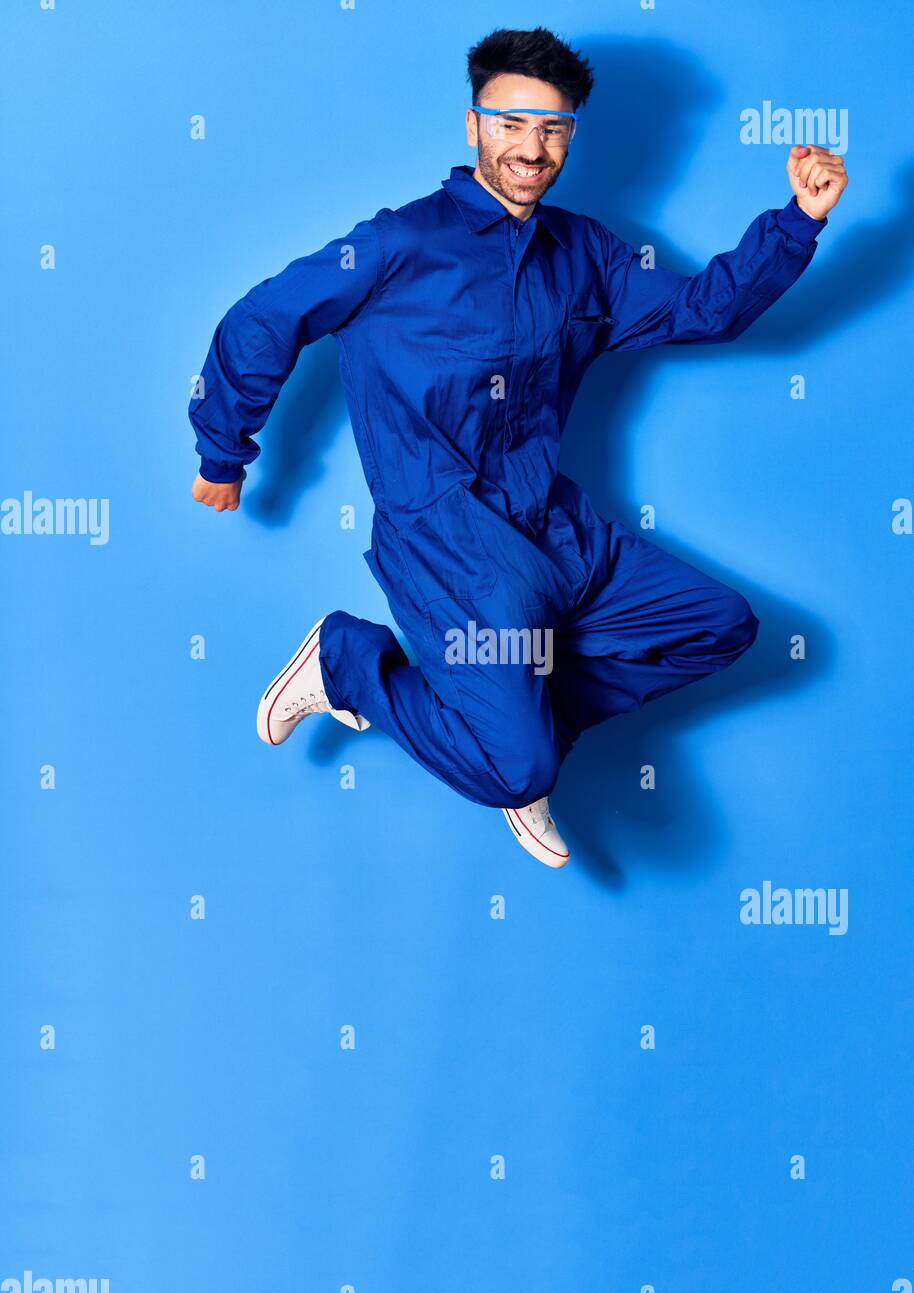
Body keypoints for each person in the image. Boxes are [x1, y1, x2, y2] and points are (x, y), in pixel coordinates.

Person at [189, 26, 848, 868]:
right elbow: (267, 318)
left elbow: (700, 311)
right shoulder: (395, 246)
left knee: (718, 626)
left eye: (553, 129)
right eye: (511, 123)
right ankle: (349, 663)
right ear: (472, 127)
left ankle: (525, 729)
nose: (531, 149)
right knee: (512, 769)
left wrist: (798, 222)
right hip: (451, 542)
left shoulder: (586, 253)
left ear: (570, 135)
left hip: (558, 530)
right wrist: (223, 450)